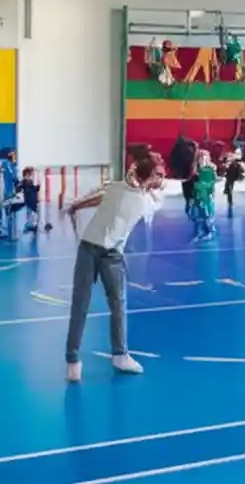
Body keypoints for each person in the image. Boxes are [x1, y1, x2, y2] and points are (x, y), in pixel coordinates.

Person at [63, 157, 166, 382]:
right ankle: (73, 359)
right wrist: (78, 205)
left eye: (161, 174)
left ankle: (120, 355)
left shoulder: (144, 200)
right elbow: (103, 197)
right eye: (157, 173)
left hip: (112, 255)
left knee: (117, 304)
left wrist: (141, 180)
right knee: (81, 304)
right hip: (89, 248)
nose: (160, 178)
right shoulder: (124, 190)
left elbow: (125, 194)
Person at [0, 148, 20, 239]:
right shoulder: (2, 163)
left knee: (4, 208)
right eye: (12, 154)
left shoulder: (6, 163)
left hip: (6, 190)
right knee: (2, 207)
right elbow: (9, 175)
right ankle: (0, 228)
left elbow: (14, 175)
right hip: (3, 191)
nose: (13, 157)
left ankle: (1, 227)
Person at [191, 149, 217, 240]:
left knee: (208, 214)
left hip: (207, 194)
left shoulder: (210, 169)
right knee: (198, 215)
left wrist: (211, 192)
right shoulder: (195, 170)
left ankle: (210, 231)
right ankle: (200, 232)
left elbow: (212, 182)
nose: (203, 160)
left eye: (205, 158)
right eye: (201, 158)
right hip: (198, 194)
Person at [222, 149, 245, 215]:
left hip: (231, 177)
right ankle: (228, 197)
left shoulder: (234, 163)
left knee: (229, 187)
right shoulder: (233, 163)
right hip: (230, 177)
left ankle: (229, 199)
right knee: (229, 186)